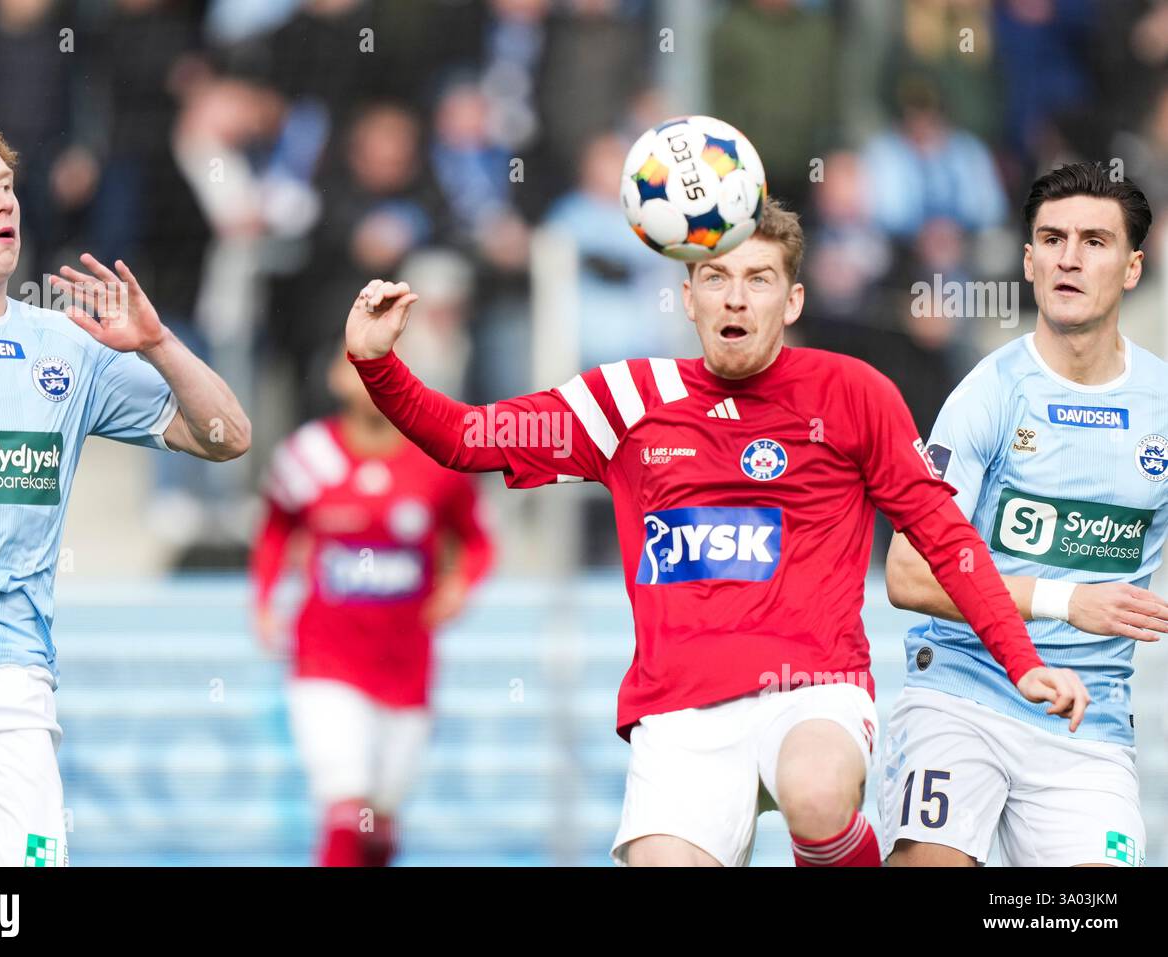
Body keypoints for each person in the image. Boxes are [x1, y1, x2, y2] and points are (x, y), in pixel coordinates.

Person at [344, 198, 1090, 867]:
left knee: (817, 790)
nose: (737, 297)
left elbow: (941, 530)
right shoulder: (628, 399)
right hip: (678, 711)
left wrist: (1020, 659)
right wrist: (379, 365)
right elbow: (471, 437)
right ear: (687, 296)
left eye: (759, 278)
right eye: (716, 278)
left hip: (812, 689)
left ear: (792, 298)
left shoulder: (852, 392)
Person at [0, 113, 250, 867]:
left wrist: (161, 345)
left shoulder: (69, 345)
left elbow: (226, 436)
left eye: (5, 186)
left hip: (11, 677)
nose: (2, 203)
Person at [882, 162, 1166, 867]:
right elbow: (908, 573)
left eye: (1095, 241)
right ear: (1030, 261)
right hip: (963, 694)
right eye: (1053, 238)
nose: (1070, 256)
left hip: (1089, 718)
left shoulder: (1162, 402)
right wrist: (1070, 601)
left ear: (1132, 268)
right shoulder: (987, 393)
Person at [251, 347, 493, 866]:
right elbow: (274, 529)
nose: (367, 382)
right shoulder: (307, 455)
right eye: (355, 369)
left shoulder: (437, 458)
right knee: (346, 802)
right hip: (325, 662)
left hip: (407, 667)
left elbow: (477, 540)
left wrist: (460, 586)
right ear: (336, 378)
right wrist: (265, 598)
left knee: (380, 822)